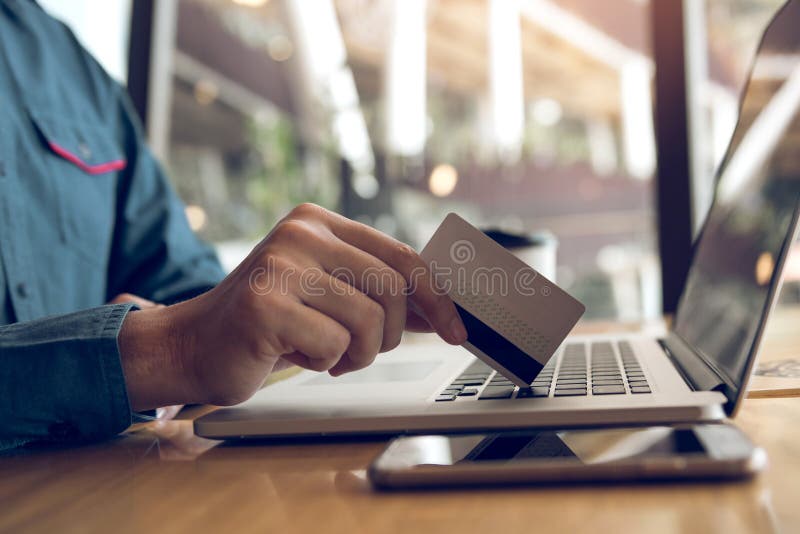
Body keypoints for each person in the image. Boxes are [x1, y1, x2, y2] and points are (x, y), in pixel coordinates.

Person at [0, 0, 467, 450]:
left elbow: (179, 281)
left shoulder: (65, 62)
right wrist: (165, 350)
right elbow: (175, 338)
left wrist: (268, 310)